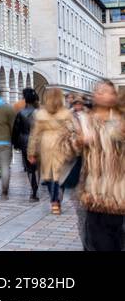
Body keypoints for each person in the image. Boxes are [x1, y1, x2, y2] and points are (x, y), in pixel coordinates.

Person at [71, 80, 125, 251]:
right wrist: (79, 141)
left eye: (107, 91)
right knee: (98, 243)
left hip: (120, 195)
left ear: (114, 96)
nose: (102, 94)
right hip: (96, 196)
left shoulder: (121, 121)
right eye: (99, 91)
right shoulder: (84, 121)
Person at [28, 87, 75, 214]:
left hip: (46, 143)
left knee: (48, 174)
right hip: (62, 143)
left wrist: (31, 152)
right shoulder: (66, 113)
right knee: (61, 173)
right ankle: (57, 201)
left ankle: (53, 201)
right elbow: (72, 129)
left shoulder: (40, 114)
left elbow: (35, 134)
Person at [13, 87, 40, 201]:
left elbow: (16, 130)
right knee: (38, 167)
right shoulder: (40, 113)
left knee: (29, 168)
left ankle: (33, 190)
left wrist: (15, 144)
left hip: (25, 141)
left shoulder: (21, 113)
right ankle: (36, 187)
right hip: (39, 142)